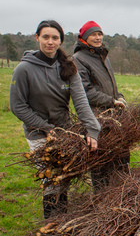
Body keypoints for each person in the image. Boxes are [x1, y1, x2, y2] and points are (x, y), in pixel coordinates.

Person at [9, 20, 101, 218]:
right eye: (45, 37)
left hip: (63, 131)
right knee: (50, 180)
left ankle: (60, 222)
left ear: (60, 40)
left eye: (55, 38)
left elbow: (81, 102)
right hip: (38, 133)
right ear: (37, 38)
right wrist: (45, 127)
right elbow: (18, 106)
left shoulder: (68, 67)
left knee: (63, 177)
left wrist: (93, 129)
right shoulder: (24, 69)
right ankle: (52, 227)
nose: (50, 42)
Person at [73, 20, 128, 190]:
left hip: (113, 115)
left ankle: (121, 192)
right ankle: (101, 199)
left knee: (121, 158)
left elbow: (110, 84)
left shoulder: (103, 55)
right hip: (97, 117)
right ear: (84, 37)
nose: (98, 38)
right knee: (101, 161)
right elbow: (85, 91)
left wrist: (119, 96)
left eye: (99, 34)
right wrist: (111, 101)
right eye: (93, 34)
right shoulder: (78, 59)